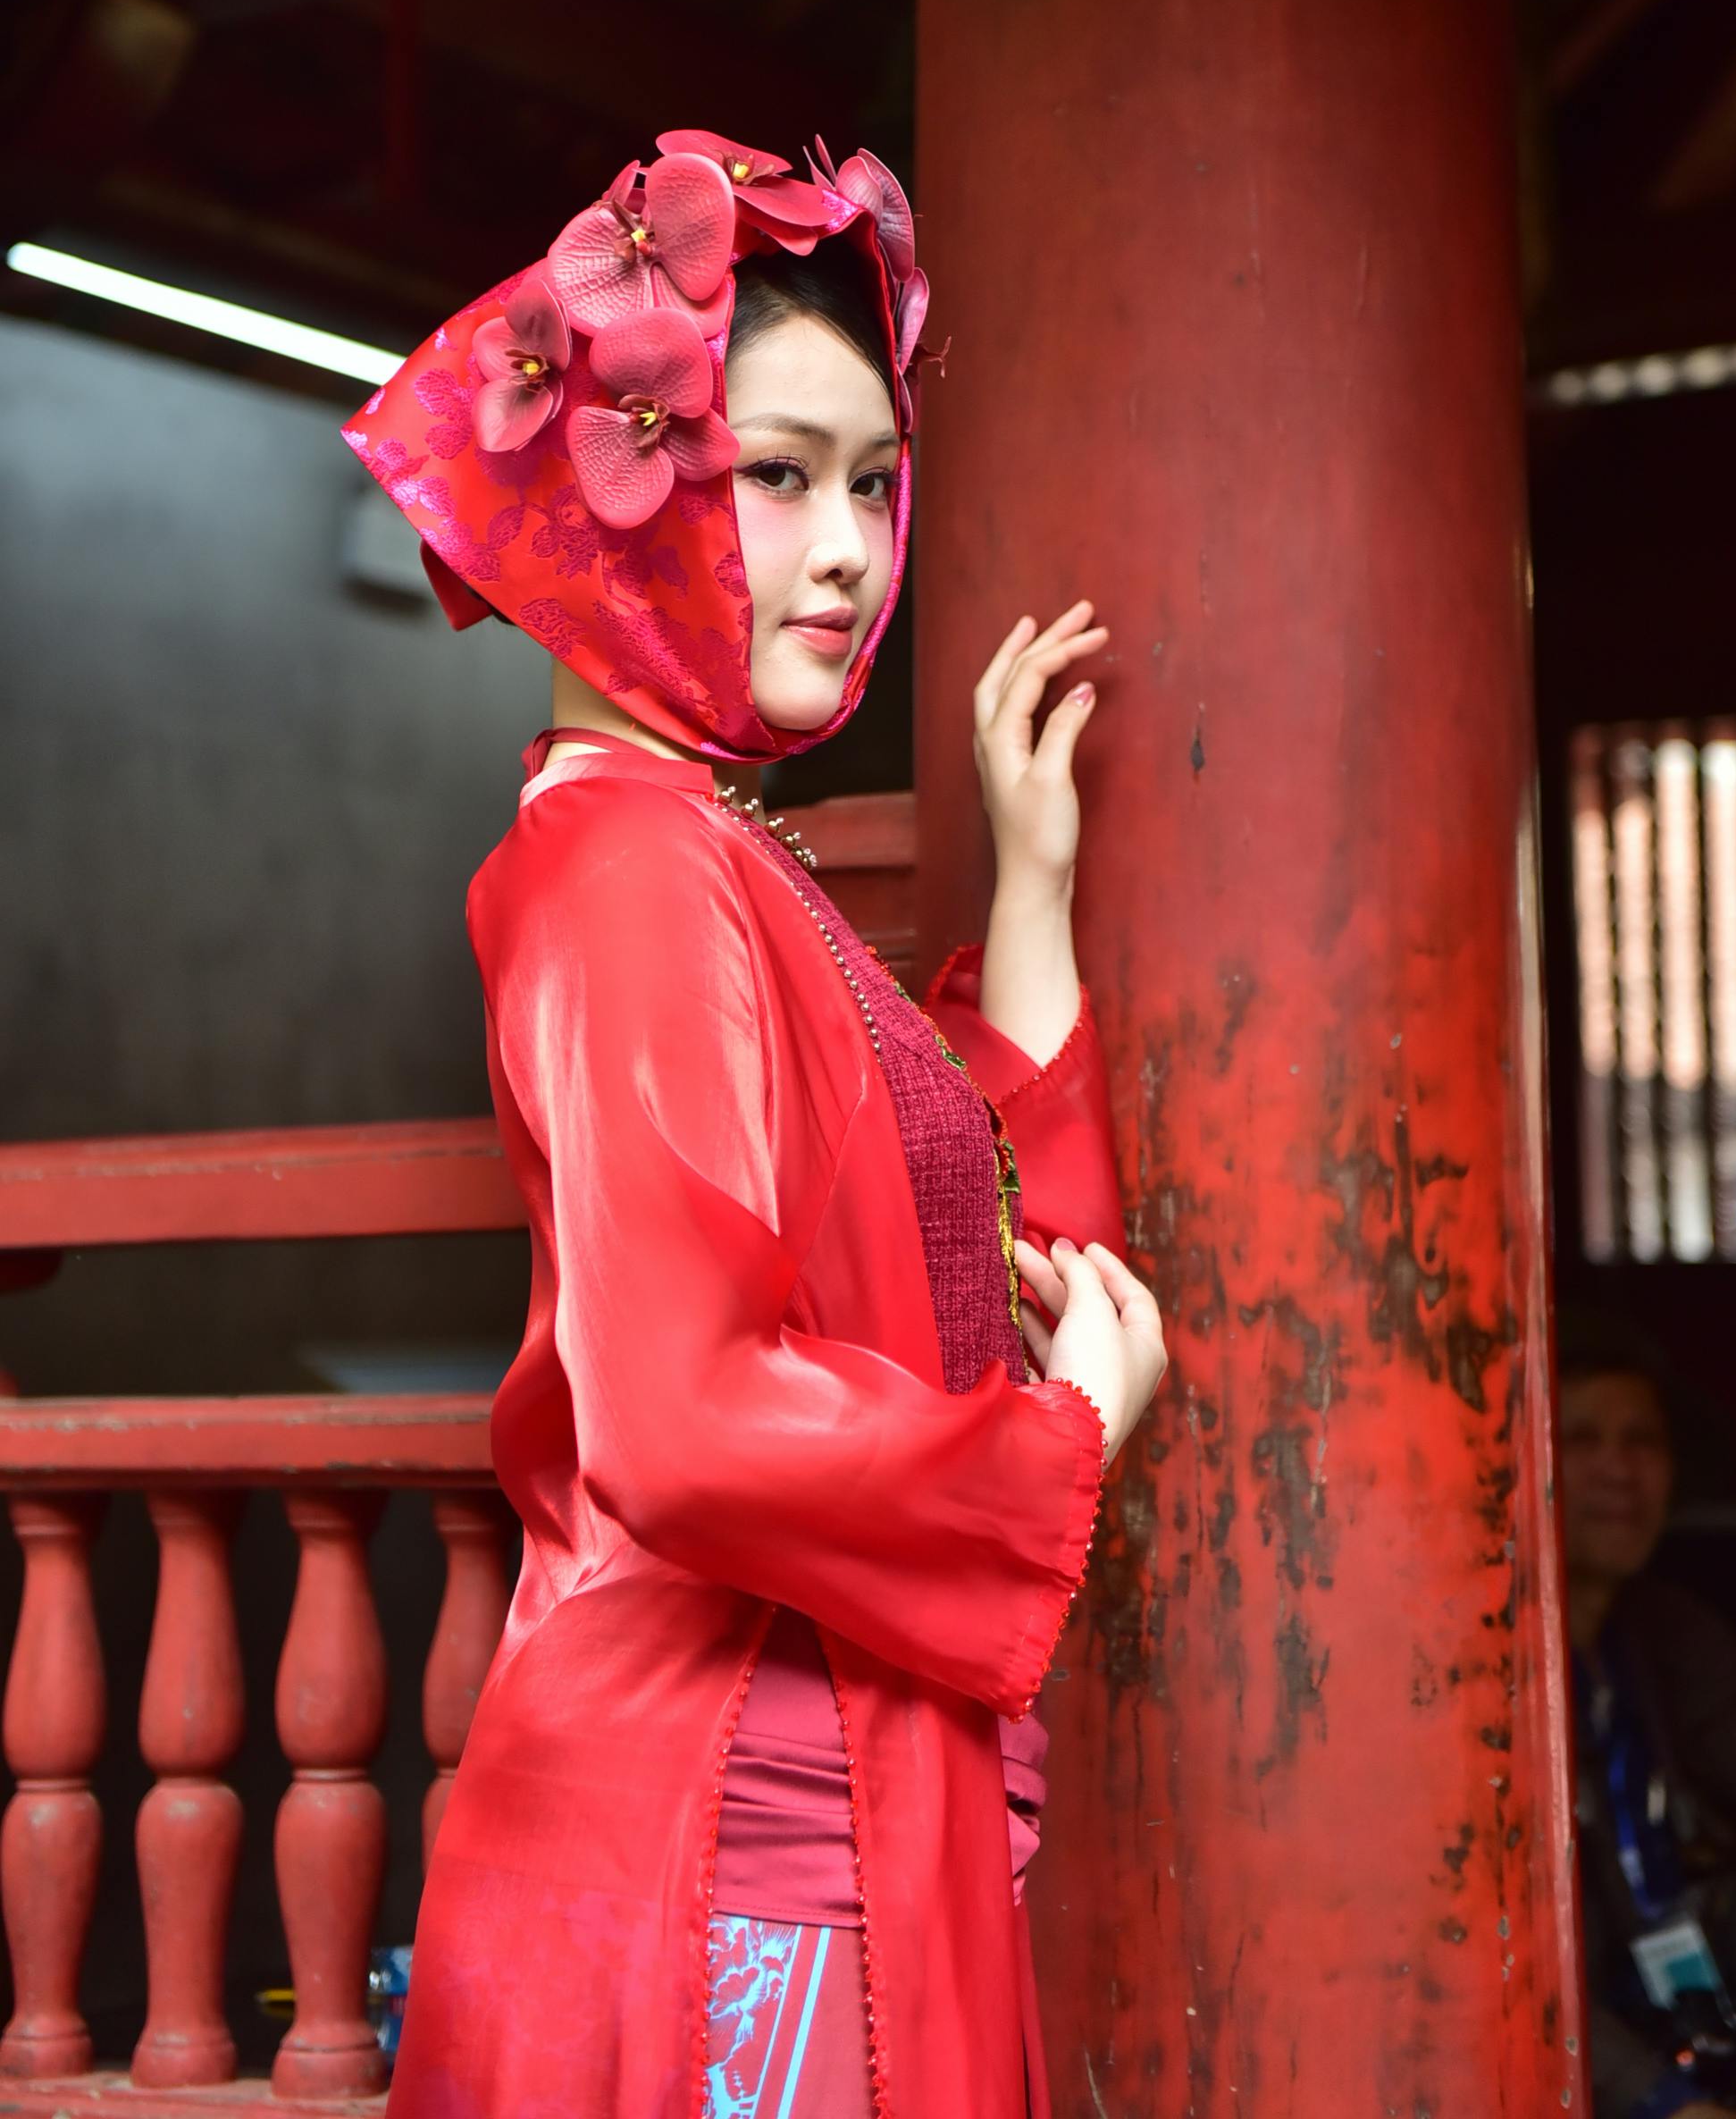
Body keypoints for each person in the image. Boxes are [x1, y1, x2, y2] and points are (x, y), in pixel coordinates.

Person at [342, 128, 1168, 2119]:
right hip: (728, 1846)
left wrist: (1030, 890)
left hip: (801, 1825)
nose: (850, 550)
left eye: (875, 484)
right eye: (776, 475)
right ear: (611, 492)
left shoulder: (703, 849)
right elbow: (689, 1416)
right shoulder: (626, 870)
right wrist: (1060, 1438)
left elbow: (957, 1256)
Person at [1559, 1323, 1736, 2119]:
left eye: (1642, 1441)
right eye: (1583, 1438)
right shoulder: (1488, 1668)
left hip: (1703, 2023)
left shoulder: (1672, 1634)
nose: (1619, 1471)